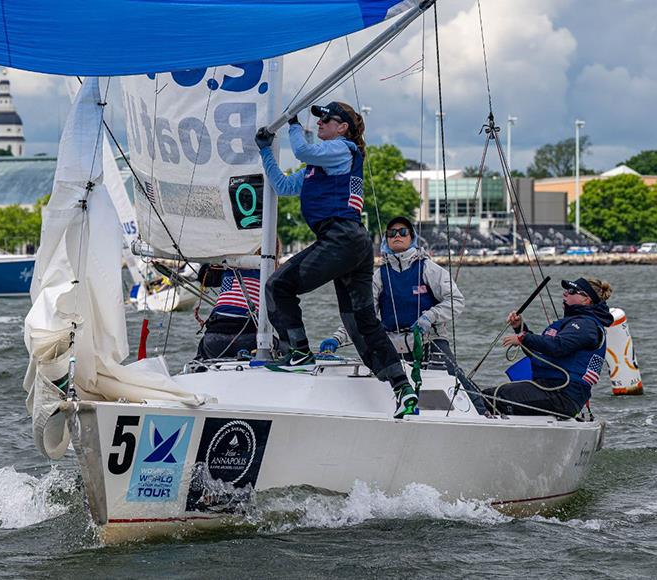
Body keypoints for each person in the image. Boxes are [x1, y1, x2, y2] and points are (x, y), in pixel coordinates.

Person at [255, 101, 417, 417]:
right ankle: (402, 387)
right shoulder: (322, 165)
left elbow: (302, 150)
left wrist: (292, 125)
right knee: (359, 321)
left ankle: (299, 352)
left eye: (325, 120)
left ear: (342, 127)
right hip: (353, 243)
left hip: (342, 238)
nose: (320, 124)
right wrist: (265, 151)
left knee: (278, 286)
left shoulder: (342, 150)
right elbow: (284, 186)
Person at [319, 216, 464, 373]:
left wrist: (430, 316)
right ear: (386, 239)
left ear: (412, 237)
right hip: (393, 347)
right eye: (391, 233)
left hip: (430, 341)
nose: (397, 236)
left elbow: (456, 301)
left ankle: (476, 397)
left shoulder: (429, 269)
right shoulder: (379, 276)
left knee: (453, 381)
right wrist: (336, 339)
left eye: (403, 232)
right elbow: (362, 316)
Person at [484, 277, 614, 417]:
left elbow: (557, 346)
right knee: (488, 396)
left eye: (571, 291)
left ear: (586, 299)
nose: (565, 294)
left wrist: (524, 338)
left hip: (562, 394)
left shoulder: (586, 326)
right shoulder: (572, 323)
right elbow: (539, 353)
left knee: (488, 398)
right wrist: (520, 329)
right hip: (550, 389)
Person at [195, 264, 260, 360]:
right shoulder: (267, 272)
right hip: (249, 338)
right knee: (277, 345)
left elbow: (204, 278)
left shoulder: (228, 271)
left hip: (213, 338)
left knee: (202, 355)